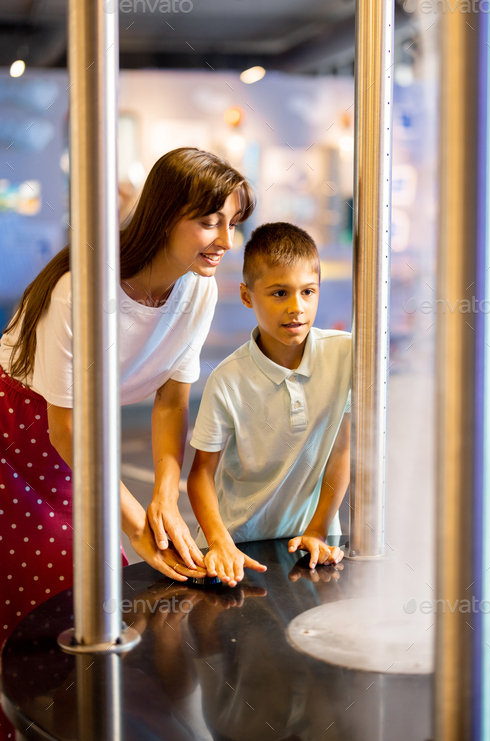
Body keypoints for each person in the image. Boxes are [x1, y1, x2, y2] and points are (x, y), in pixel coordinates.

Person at [0, 147, 255, 689]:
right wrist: (138, 523)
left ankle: (75, 713)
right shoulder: (81, 290)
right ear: (164, 215)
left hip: (83, 436)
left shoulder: (197, 288)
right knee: (48, 584)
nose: (226, 242)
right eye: (210, 222)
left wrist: (166, 493)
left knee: (103, 580)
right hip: (16, 429)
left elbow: (171, 399)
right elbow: (63, 427)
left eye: (233, 223)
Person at [187, 222, 351, 587]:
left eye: (308, 291)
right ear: (247, 296)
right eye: (280, 293)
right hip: (235, 550)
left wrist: (319, 531)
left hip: (308, 545)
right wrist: (218, 542)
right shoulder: (227, 379)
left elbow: (342, 452)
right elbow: (200, 473)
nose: (297, 307)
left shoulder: (346, 354)